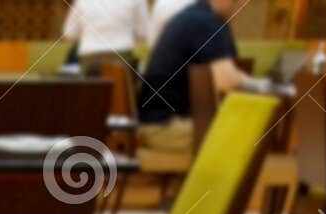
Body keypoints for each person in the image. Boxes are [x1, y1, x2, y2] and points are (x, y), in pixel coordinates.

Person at [137, 0, 247, 147]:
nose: (241, 5)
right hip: (166, 128)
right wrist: (260, 85)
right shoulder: (207, 22)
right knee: (245, 135)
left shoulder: (191, 15)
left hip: (151, 123)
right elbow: (227, 82)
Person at [63, 0, 149, 63]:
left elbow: (69, 33)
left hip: (89, 55)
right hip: (122, 52)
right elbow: (144, 31)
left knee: (93, 88)